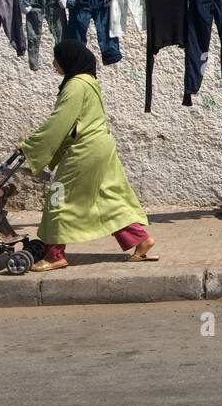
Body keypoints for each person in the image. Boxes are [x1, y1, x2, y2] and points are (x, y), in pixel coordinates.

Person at [18, 40, 159, 271]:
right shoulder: (90, 82)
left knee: (58, 199)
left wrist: (30, 146)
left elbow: (59, 123)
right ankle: (141, 240)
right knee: (106, 198)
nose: (54, 64)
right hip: (100, 147)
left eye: (57, 59)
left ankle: (54, 255)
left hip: (84, 150)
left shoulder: (75, 86)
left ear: (69, 60)